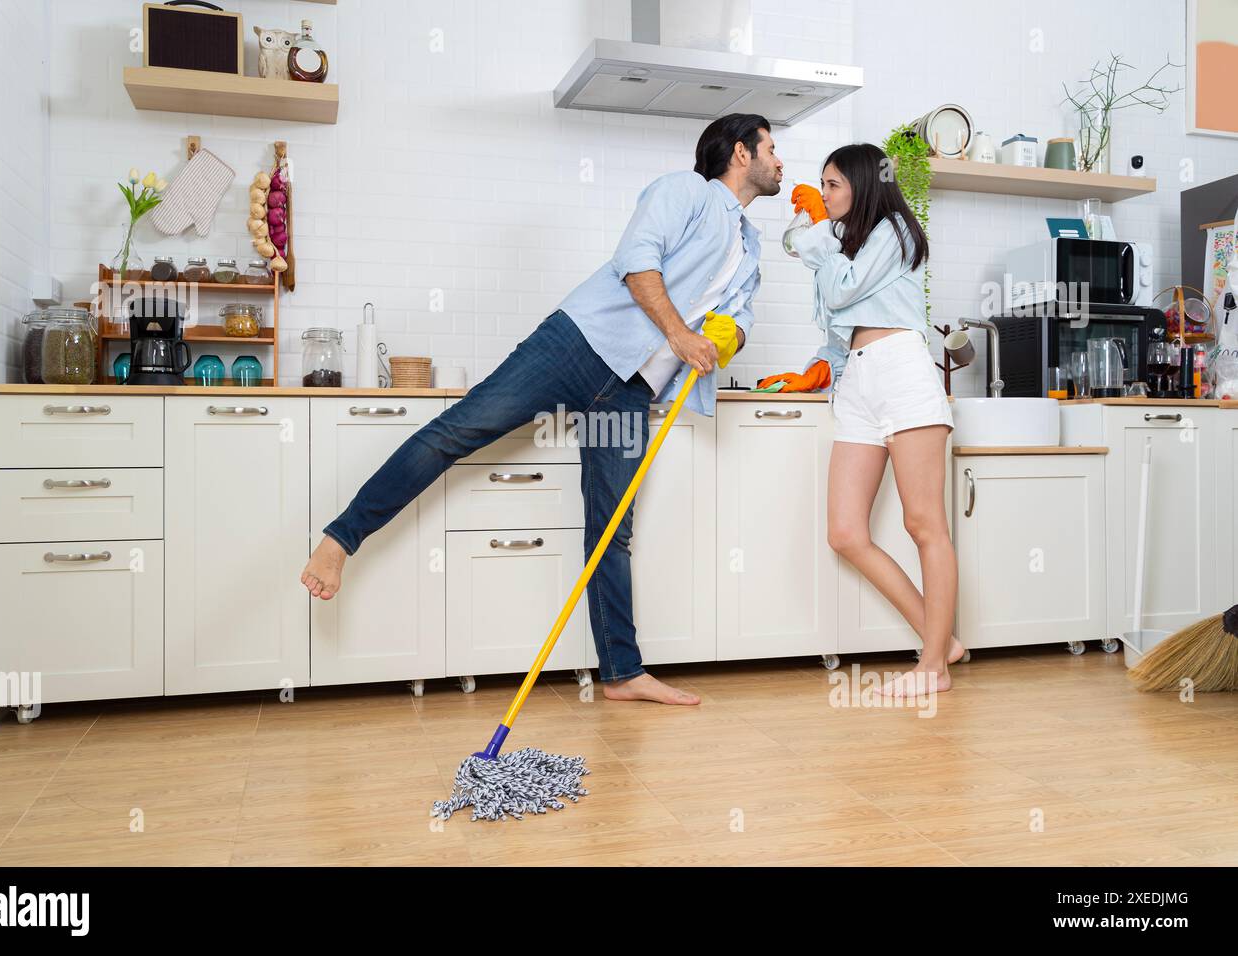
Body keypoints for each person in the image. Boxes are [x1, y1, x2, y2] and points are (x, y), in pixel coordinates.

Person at [301, 113, 783, 705]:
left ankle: (622, 673)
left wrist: (727, 336)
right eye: (772, 148)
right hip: (579, 344)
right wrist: (683, 334)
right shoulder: (685, 192)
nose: (781, 161)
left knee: (612, 531)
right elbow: (638, 262)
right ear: (741, 153)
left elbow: (740, 318)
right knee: (457, 432)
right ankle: (341, 538)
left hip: (630, 390)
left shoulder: (751, 246)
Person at [763, 143, 961, 696]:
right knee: (846, 532)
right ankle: (940, 640)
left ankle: (933, 669)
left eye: (831, 184)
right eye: (820, 186)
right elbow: (796, 249)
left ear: (862, 184)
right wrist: (820, 367)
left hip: (902, 373)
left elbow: (842, 287)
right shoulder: (846, 238)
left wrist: (818, 231)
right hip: (859, 382)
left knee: (925, 527)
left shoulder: (895, 230)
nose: (823, 194)